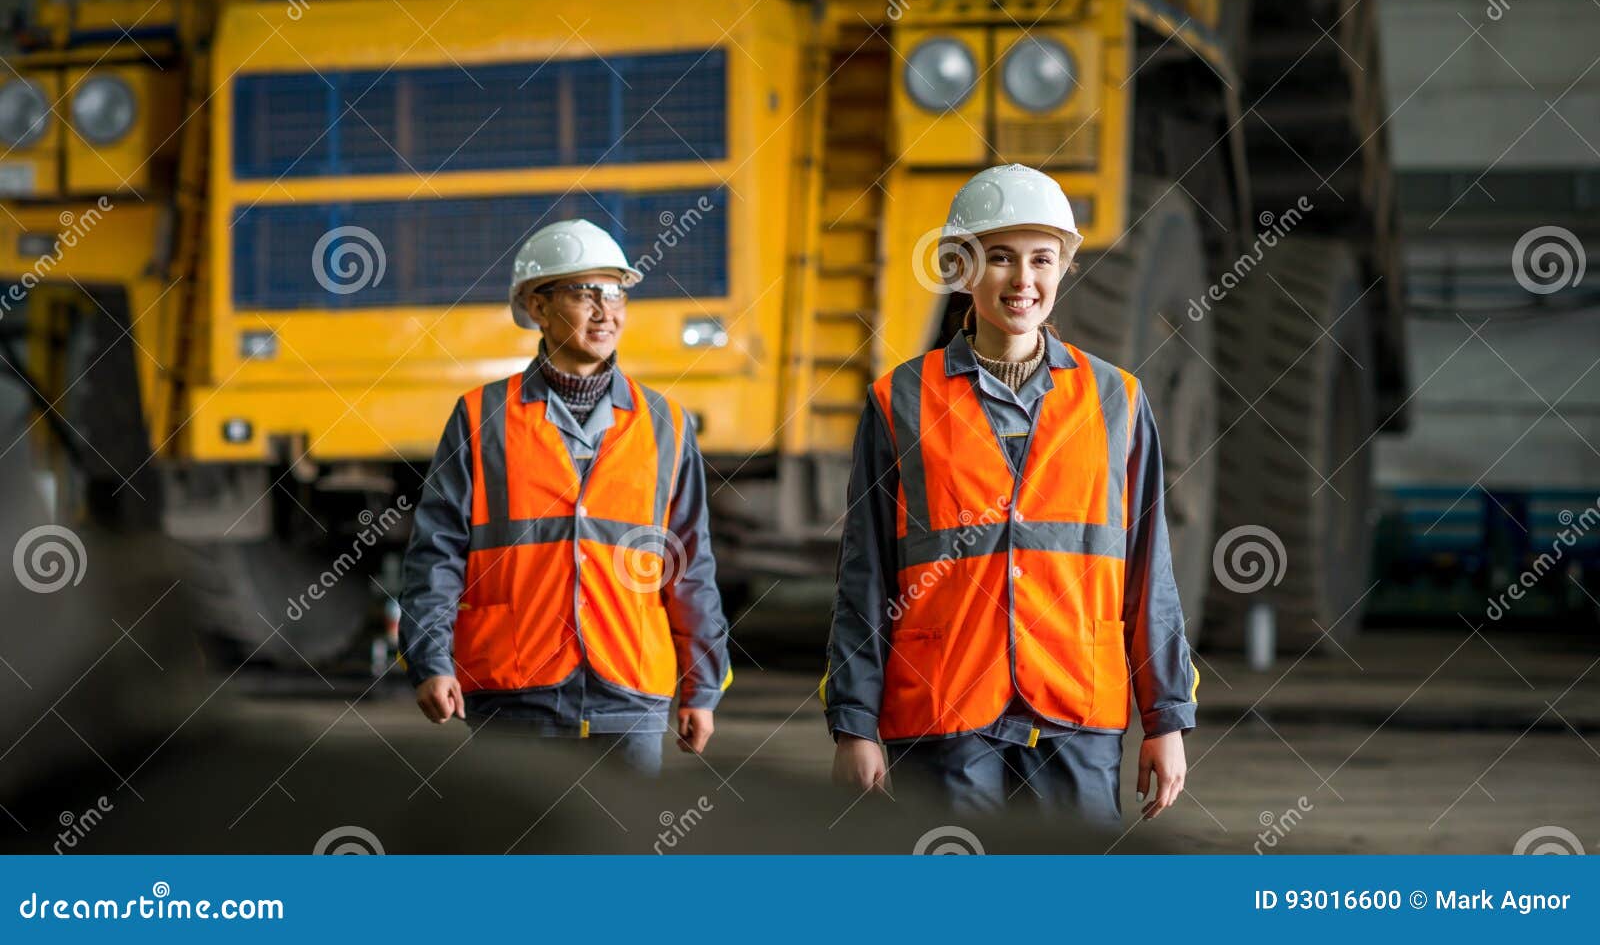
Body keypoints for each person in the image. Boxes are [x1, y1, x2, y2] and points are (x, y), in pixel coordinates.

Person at [822, 164, 1198, 826]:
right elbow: (865, 573)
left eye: (1041, 260)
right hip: (943, 704)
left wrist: (1165, 718)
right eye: (999, 258)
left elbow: (1148, 571)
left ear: (1064, 268)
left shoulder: (1117, 400)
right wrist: (854, 723)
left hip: (1075, 707)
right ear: (962, 268)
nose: (1023, 281)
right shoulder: (900, 400)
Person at [398, 217, 731, 776]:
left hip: (629, 690)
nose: (607, 311)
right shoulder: (482, 417)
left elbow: (690, 563)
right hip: (514, 689)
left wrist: (702, 684)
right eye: (584, 293)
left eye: (616, 292)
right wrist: (430, 659)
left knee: (624, 859)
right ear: (537, 306)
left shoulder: (665, 423)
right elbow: (436, 553)